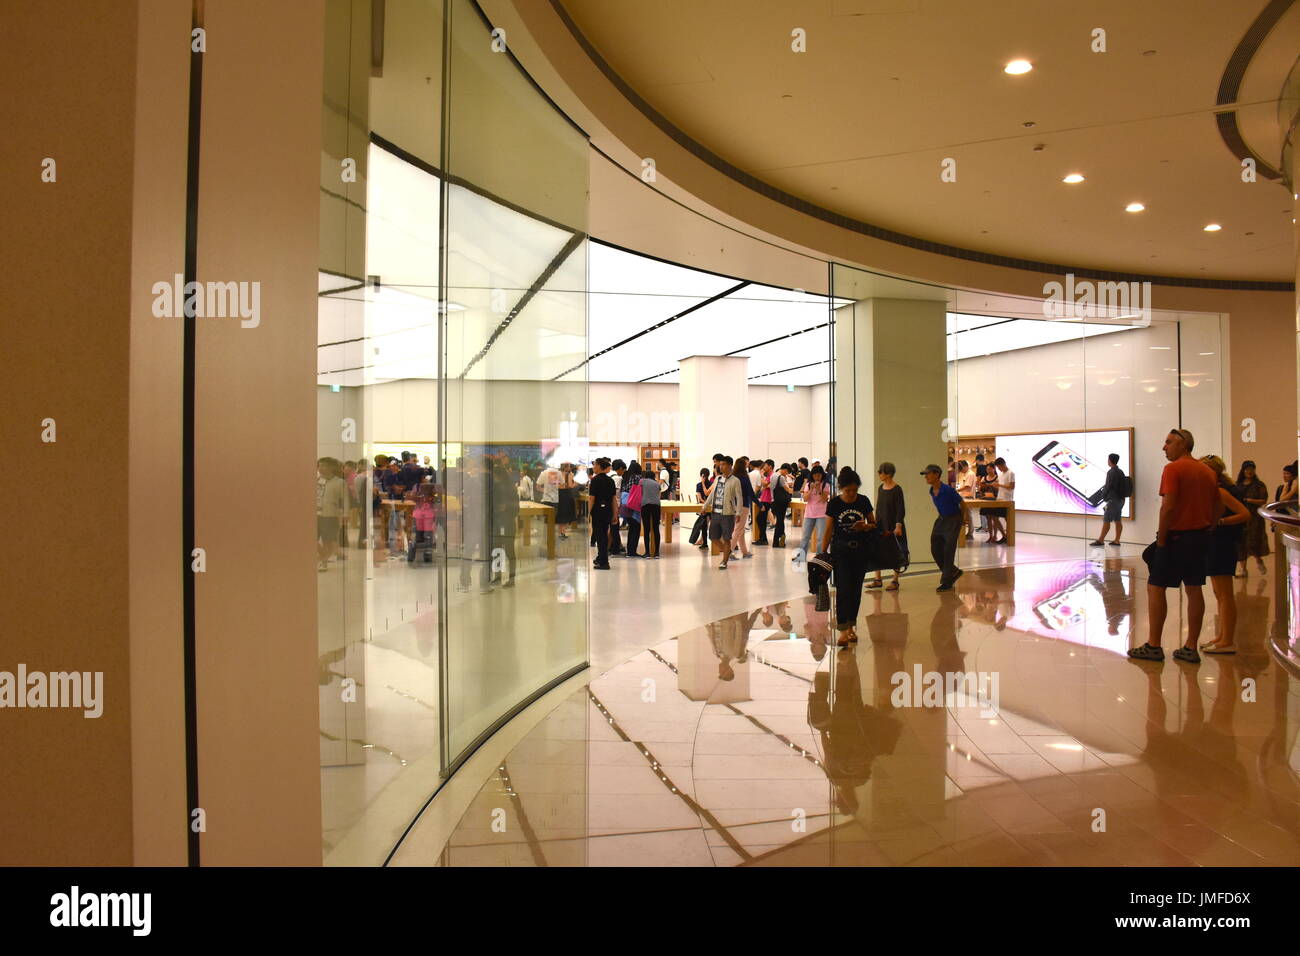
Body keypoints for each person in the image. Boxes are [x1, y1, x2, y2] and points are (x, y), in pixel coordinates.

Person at [1128, 428, 1220, 665]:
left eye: (1168, 442)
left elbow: (1167, 507)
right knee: (1194, 588)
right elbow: (1218, 504)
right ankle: (1190, 647)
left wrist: (1161, 541)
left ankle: (1154, 645)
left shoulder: (1173, 469)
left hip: (1176, 538)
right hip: (1199, 538)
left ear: (1183, 444)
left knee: (1156, 587)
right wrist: (1208, 526)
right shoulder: (1207, 471)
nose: (1164, 447)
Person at [1199, 455, 1249, 654]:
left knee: (1225, 594)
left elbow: (1244, 514)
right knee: (1219, 594)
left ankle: (1227, 640)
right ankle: (1222, 636)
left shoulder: (1220, 491)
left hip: (1222, 545)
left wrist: (1221, 522)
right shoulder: (1213, 490)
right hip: (1215, 544)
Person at [826, 467, 877, 645]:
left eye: (854, 490)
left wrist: (865, 527)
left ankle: (851, 628)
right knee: (843, 590)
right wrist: (823, 552)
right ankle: (842, 631)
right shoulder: (834, 504)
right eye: (848, 490)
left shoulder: (863, 501)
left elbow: (874, 523)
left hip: (860, 551)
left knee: (855, 591)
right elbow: (828, 529)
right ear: (841, 488)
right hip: (841, 551)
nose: (851, 494)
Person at [922, 464, 963, 592]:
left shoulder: (948, 490)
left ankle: (947, 581)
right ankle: (953, 571)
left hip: (953, 519)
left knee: (948, 550)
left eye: (928, 474)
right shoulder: (931, 491)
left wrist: (964, 520)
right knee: (935, 548)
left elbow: (962, 503)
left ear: (936, 474)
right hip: (941, 519)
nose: (926, 477)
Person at [868, 462, 906, 591]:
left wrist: (898, 525)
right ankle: (877, 579)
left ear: (888, 474)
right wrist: (874, 523)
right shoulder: (880, 488)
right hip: (881, 524)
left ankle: (895, 580)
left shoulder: (897, 489)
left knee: (895, 551)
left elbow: (900, 509)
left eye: (880, 471)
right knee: (877, 551)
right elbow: (879, 508)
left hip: (894, 525)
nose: (878, 474)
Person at [1234, 460, 1269, 576]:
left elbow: (1263, 500)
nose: (1250, 471)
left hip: (1254, 518)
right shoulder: (1238, 485)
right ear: (1243, 471)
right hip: (1241, 518)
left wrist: (1249, 500)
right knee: (1241, 543)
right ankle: (1243, 569)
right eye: (1247, 469)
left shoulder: (1259, 485)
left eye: (1252, 469)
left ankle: (1259, 560)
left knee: (1253, 542)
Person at [708, 456, 744, 570]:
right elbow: (712, 494)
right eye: (720, 464)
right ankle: (727, 551)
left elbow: (739, 497)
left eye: (723, 464)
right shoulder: (718, 479)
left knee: (727, 538)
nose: (720, 466)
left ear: (729, 466)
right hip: (715, 512)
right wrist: (705, 506)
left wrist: (738, 512)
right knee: (713, 537)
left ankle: (724, 561)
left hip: (728, 513)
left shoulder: (735, 480)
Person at [795, 463, 830, 563]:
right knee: (805, 537)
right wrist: (811, 489)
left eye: (819, 475)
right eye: (815, 475)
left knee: (820, 538)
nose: (817, 477)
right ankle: (801, 557)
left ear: (822, 475)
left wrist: (818, 488)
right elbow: (805, 499)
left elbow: (824, 499)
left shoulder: (826, 485)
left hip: (822, 514)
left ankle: (819, 558)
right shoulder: (808, 484)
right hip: (809, 514)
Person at [316, 457, 347, 572]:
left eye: (324, 465)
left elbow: (345, 500)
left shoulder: (339, 482)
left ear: (331, 467)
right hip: (315, 515)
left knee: (328, 540)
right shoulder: (316, 480)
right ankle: (323, 557)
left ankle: (323, 562)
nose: (321, 468)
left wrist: (345, 514)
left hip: (330, 515)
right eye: (320, 465)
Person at [1092, 453, 1127, 546]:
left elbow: (1108, 486)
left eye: (1108, 459)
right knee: (1117, 520)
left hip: (1112, 500)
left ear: (1110, 460)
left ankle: (1100, 540)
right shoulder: (1120, 471)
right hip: (1120, 500)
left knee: (1106, 520)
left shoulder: (1111, 472)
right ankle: (1117, 540)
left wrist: (1103, 496)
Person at [587, 457, 616, 570]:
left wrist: (588, 513)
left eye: (595, 465)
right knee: (604, 534)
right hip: (608, 511)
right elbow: (614, 499)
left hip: (598, 512)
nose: (593, 467)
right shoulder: (610, 481)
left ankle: (604, 562)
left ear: (599, 466)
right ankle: (600, 558)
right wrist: (615, 514)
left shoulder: (595, 480)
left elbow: (591, 499)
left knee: (600, 537)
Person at [730, 455, 755, 560]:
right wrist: (759, 504)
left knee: (741, 530)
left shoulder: (732, 477)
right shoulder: (744, 478)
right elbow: (750, 492)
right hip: (743, 505)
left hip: (733, 505)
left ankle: (745, 551)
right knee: (738, 529)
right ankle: (729, 552)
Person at [985, 457, 1014, 544]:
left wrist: (999, 485)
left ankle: (1008, 537)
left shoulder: (1011, 473)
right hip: (999, 498)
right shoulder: (1001, 474)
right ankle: (1004, 536)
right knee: (995, 517)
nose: (998, 469)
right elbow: (1001, 486)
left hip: (1007, 500)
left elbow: (1011, 487)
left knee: (1007, 519)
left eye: (998, 467)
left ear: (1003, 464)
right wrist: (996, 486)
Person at [639, 465, 664, 558]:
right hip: (656, 506)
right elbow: (658, 494)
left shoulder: (641, 481)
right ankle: (657, 552)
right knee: (656, 528)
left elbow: (639, 492)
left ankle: (647, 553)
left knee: (646, 529)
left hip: (645, 505)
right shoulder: (657, 483)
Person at [622, 461, 644, 556]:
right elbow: (637, 490)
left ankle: (630, 551)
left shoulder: (627, 477)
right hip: (634, 505)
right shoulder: (638, 477)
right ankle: (632, 551)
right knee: (636, 528)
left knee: (631, 528)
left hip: (626, 503)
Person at [769, 463, 793, 547]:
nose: (786, 474)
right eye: (787, 472)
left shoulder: (773, 475)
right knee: (780, 522)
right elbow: (788, 490)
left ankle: (780, 540)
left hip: (774, 501)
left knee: (780, 521)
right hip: (781, 502)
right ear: (785, 470)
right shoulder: (781, 477)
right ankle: (776, 542)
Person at [556, 463, 577, 539]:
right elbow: (570, 485)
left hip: (558, 495)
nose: (570, 468)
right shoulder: (569, 474)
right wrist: (576, 483)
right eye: (569, 466)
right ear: (566, 467)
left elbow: (555, 485)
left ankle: (560, 532)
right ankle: (563, 532)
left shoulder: (557, 474)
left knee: (560, 514)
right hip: (567, 495)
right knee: (566, 514)